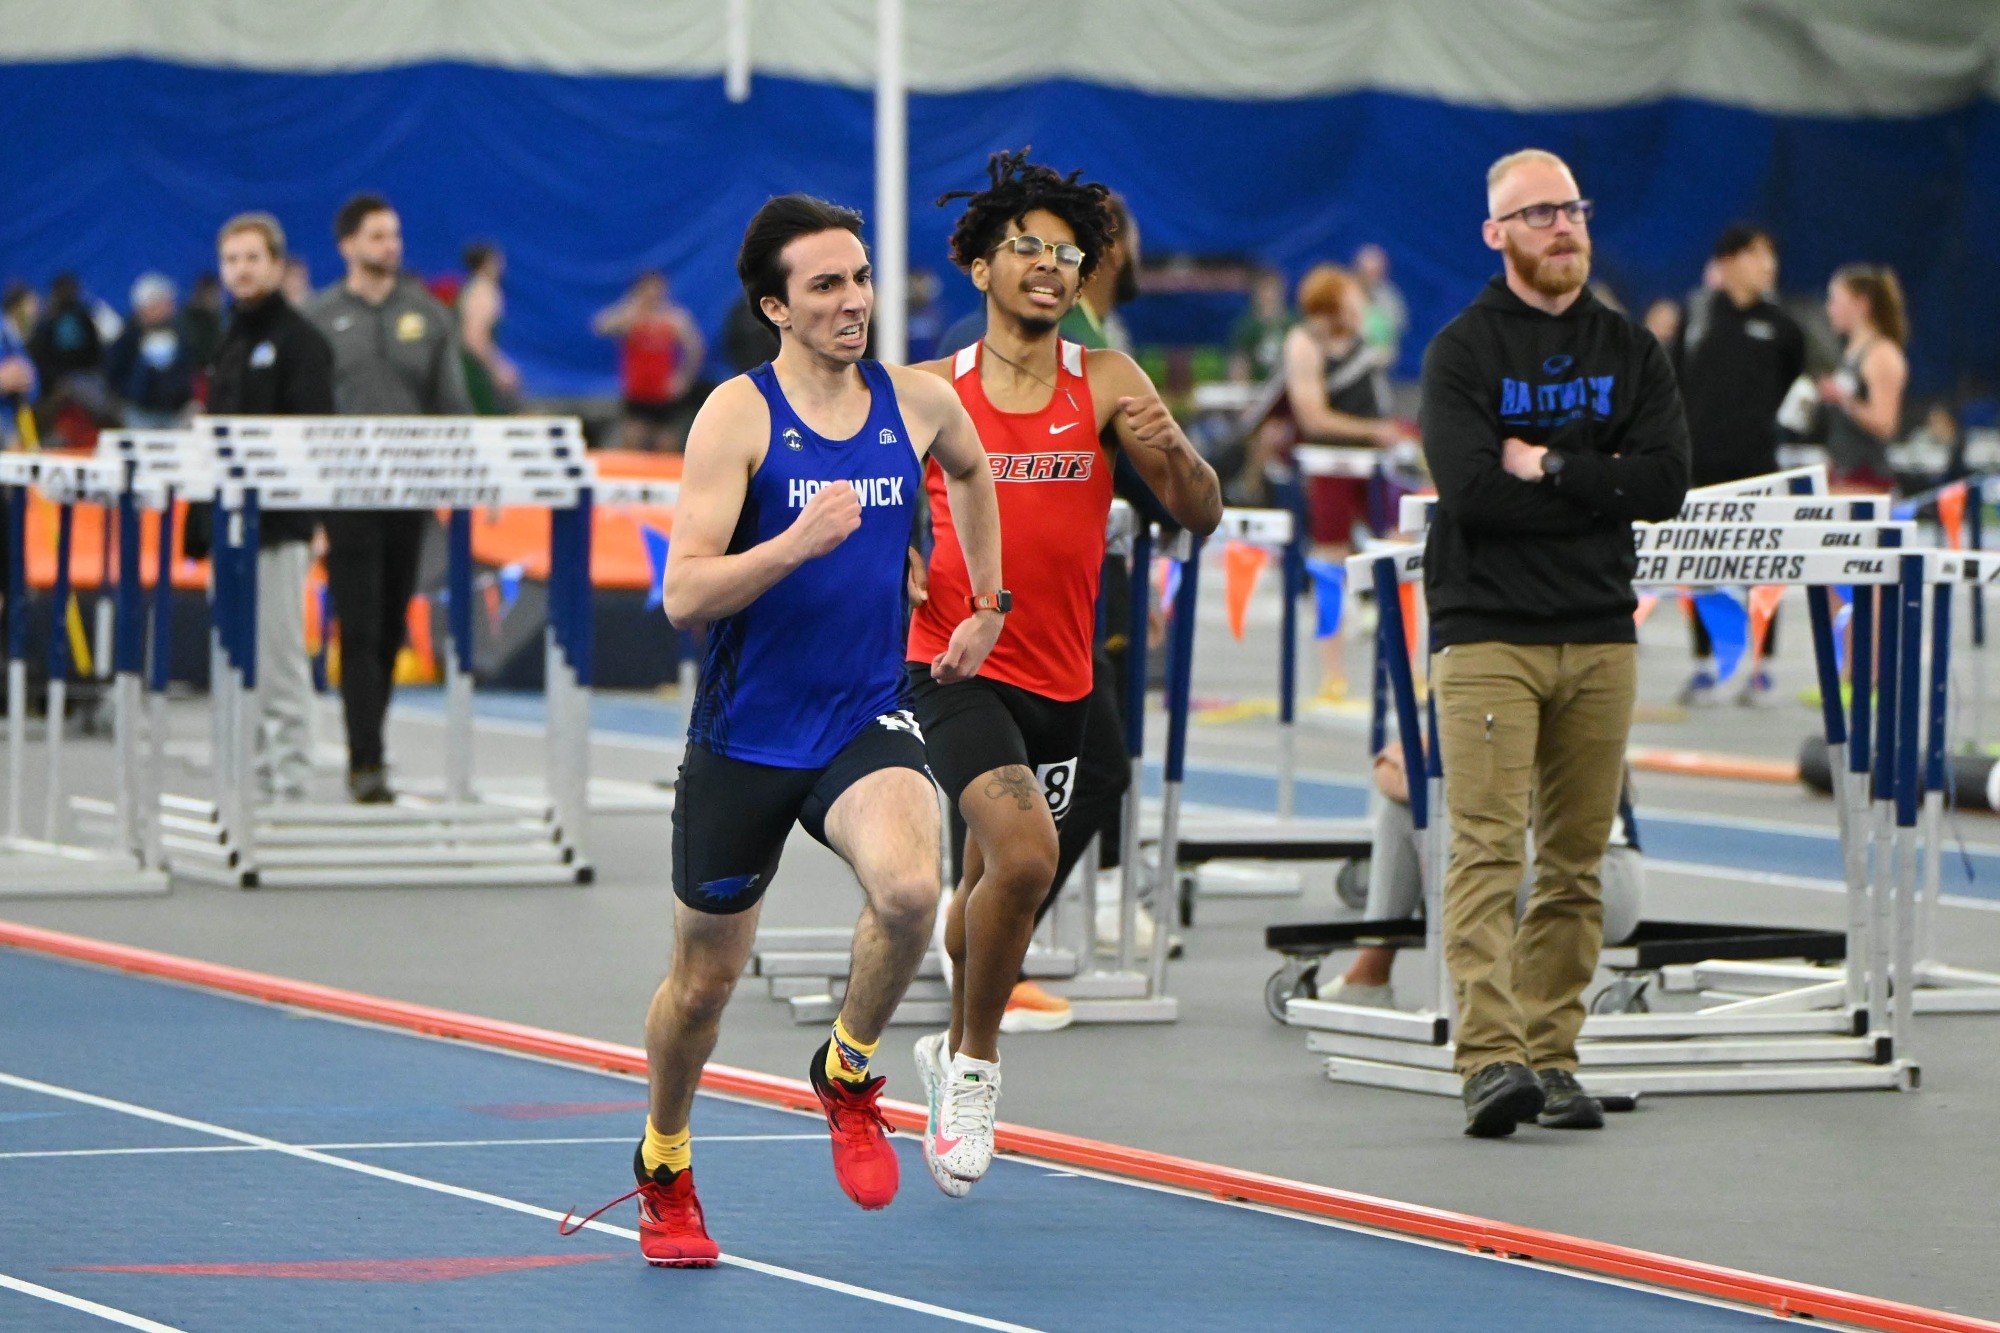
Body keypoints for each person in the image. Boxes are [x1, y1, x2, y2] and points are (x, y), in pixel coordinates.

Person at [592, 194, 1003, 1266]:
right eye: (824, 284)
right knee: (701, 989)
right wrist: (793, 543)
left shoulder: (911, 403)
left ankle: (849, 1069)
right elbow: (683, 595)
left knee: (914, 890)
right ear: (775, 305)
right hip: (745, 736)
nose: (853, 300)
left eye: (860, 277)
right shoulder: (736, 414)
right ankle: (665, 1159)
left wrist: (983, 601)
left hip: (862, 712)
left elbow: (969, 466)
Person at [906, 150, 1222, 1197]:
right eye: (1026, 249)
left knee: (983, 880)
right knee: (1028, 859)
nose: (1049, 266)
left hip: (1059, 676)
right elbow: (864, 500)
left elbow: (1198, 510)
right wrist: (896, 557)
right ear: (978, 267)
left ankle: (943, 1051)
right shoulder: (928, 392)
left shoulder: (1110, 383)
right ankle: (976, 1067)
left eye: (1066, 253)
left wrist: (1174, 456)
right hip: (951, 662)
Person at [1420, 148, 1688, 1137]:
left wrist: (1549, 467)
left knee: (1576, 862)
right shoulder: (1460, 351)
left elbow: (1661, 483)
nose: (1561, 226)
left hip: (1599, 631)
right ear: (1494, 235)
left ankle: (1552, 1052)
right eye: (1536, 214)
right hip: (1487, 630)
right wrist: (1591, 480)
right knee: (1488, 852)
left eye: (1571, 208)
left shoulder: (1629, 348)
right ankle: (1490, 1059)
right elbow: (1471, 493)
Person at [307, 193, 474, 803]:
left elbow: (452, 405)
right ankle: (365, 761)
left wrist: (463, 475)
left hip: (411, 495)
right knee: (357, 626)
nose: (391, 246)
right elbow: (306, 408)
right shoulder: (319, 317)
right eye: (378, 236)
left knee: (388, 628)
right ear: (348, 245)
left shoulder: (427, 315)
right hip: (346, 495)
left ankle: (370, 748)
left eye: (396, 235)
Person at [205, 212, 336, 803]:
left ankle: (292, 783)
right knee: (234, 657)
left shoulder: (302, 342)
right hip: (229, 526)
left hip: (280, 528)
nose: (242, 269)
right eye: (231, 259)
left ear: (277, 265)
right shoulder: (229, 338)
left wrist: (314, 521)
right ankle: (249, 775)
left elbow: (313, 439)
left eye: (252, 258)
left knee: (280, 658)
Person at [1673, 225, 1806, 706]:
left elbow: (1793, 380)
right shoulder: (1699, 316)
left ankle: (1761, 669)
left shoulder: (1783, 327)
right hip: (1702, 465)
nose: (1767, 265)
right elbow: (1675, 381)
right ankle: (1706, 665)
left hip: (1759, 465)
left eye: (1770, 255)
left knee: (1761, 567)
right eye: (1755, 255)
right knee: (1701, 565)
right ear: (1727, 262)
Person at [1817, 265, 1909, 491]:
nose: (1830, 310)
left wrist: (1843, 399)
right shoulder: (1851, 352)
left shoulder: (1881, 354)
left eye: (1836, 301)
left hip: (1867, 479)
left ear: (1861, 304)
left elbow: (1886, 423)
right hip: (1842, 473)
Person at [594, 271, 705, 451]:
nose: (653, 294)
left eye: (657, 288)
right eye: (648, 289)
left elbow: (696, 349)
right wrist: (630, 305)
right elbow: (601, 326)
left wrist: (683, 379)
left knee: (666, 442)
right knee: (633, 439)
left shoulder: (674, 318)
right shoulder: (630, 318)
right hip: (637, 391)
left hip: (663, 391)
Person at [104, 273, 199, 429]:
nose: (170, 307)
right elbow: (114, 370)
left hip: (175, 414)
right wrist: (125, 398)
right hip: (139, 413)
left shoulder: (180, 333)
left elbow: (189, 366)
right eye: (164, 303)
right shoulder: (128, 336)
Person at [456, 242, 519, 414]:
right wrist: (497, 368)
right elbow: (473, 338)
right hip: (477, 374)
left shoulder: (474, 288)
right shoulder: (482, 292)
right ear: (487, 263)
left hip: (476, 370)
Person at [1230, 270, 1291, 384]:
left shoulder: (1293, 324)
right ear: (1256, 294)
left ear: (1281, 292)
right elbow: (1240, 362)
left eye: (1272, 290)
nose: (1269, 295)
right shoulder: (1247, 327)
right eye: (1264, 290)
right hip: (1257, 387)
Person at [1353, 243, 1408, 366]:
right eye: (1366, 271)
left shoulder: (1390, 299)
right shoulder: (1344, 293)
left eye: (1375, 271)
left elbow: (1394, 332)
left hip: (1377, 364)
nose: (1370, 276)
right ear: (1357, 268)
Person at [0, 282, 39, 446]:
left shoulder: (15, 341)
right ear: (17, 307)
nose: (36, 313)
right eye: (31, 306)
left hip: (16, 424)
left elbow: (30, 386)